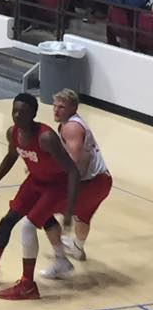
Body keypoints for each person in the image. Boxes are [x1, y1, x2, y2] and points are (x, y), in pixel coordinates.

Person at [0, 93, 80, 300]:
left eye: (22, 112)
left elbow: (73, 171)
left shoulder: (46, 137)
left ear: (33, 114)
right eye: (14, 111)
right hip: (35, 182)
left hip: (56, 187)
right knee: (6, 222)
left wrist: (68, 212)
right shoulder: (12, 133)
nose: (16, 115)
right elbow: (11, 156)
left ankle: (27, 284)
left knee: (27, 226)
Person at [35, 89, 111, 265]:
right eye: (54, 106)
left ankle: (61, 261)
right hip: (102, 179)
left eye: (61, 107)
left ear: (73, 108)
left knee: (42, 207)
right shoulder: (70, 124)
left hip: (92, 182)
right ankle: (77, 249)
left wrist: (45, 169)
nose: (56, 110)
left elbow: (73, 161)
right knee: (84, 215)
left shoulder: (71, 128)